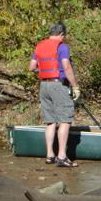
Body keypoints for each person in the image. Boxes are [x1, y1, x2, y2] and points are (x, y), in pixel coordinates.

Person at [29, 22, 81, 167]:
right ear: (61, 34)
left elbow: (32, 67)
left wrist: (46, 72)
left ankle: (50, 155)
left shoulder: (39, 46)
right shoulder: (62, 46)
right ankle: (62, 157)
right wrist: (75, 86)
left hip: (44, 85)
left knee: (50, 121)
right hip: (58, 85)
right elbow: (66, 66)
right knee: (65, 120)